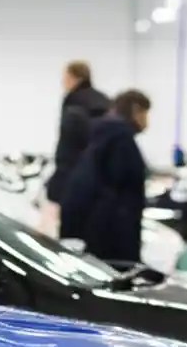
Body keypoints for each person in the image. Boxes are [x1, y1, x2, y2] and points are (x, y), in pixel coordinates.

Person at [59, 90, 151, 264]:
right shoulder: (121, 141)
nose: (147, 120)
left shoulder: (102, 136)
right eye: (146, 113)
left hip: (98, 231)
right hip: (114, 235)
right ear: (135, 110)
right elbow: (122, 188)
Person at [46, 61, 111, 234]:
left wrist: (56, 186)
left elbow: (68, 148)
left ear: (75, 78)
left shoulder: (74, 104)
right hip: (100, 184)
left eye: (65, 77)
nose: (63, 82)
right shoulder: (104, 101)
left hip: (75, 181)